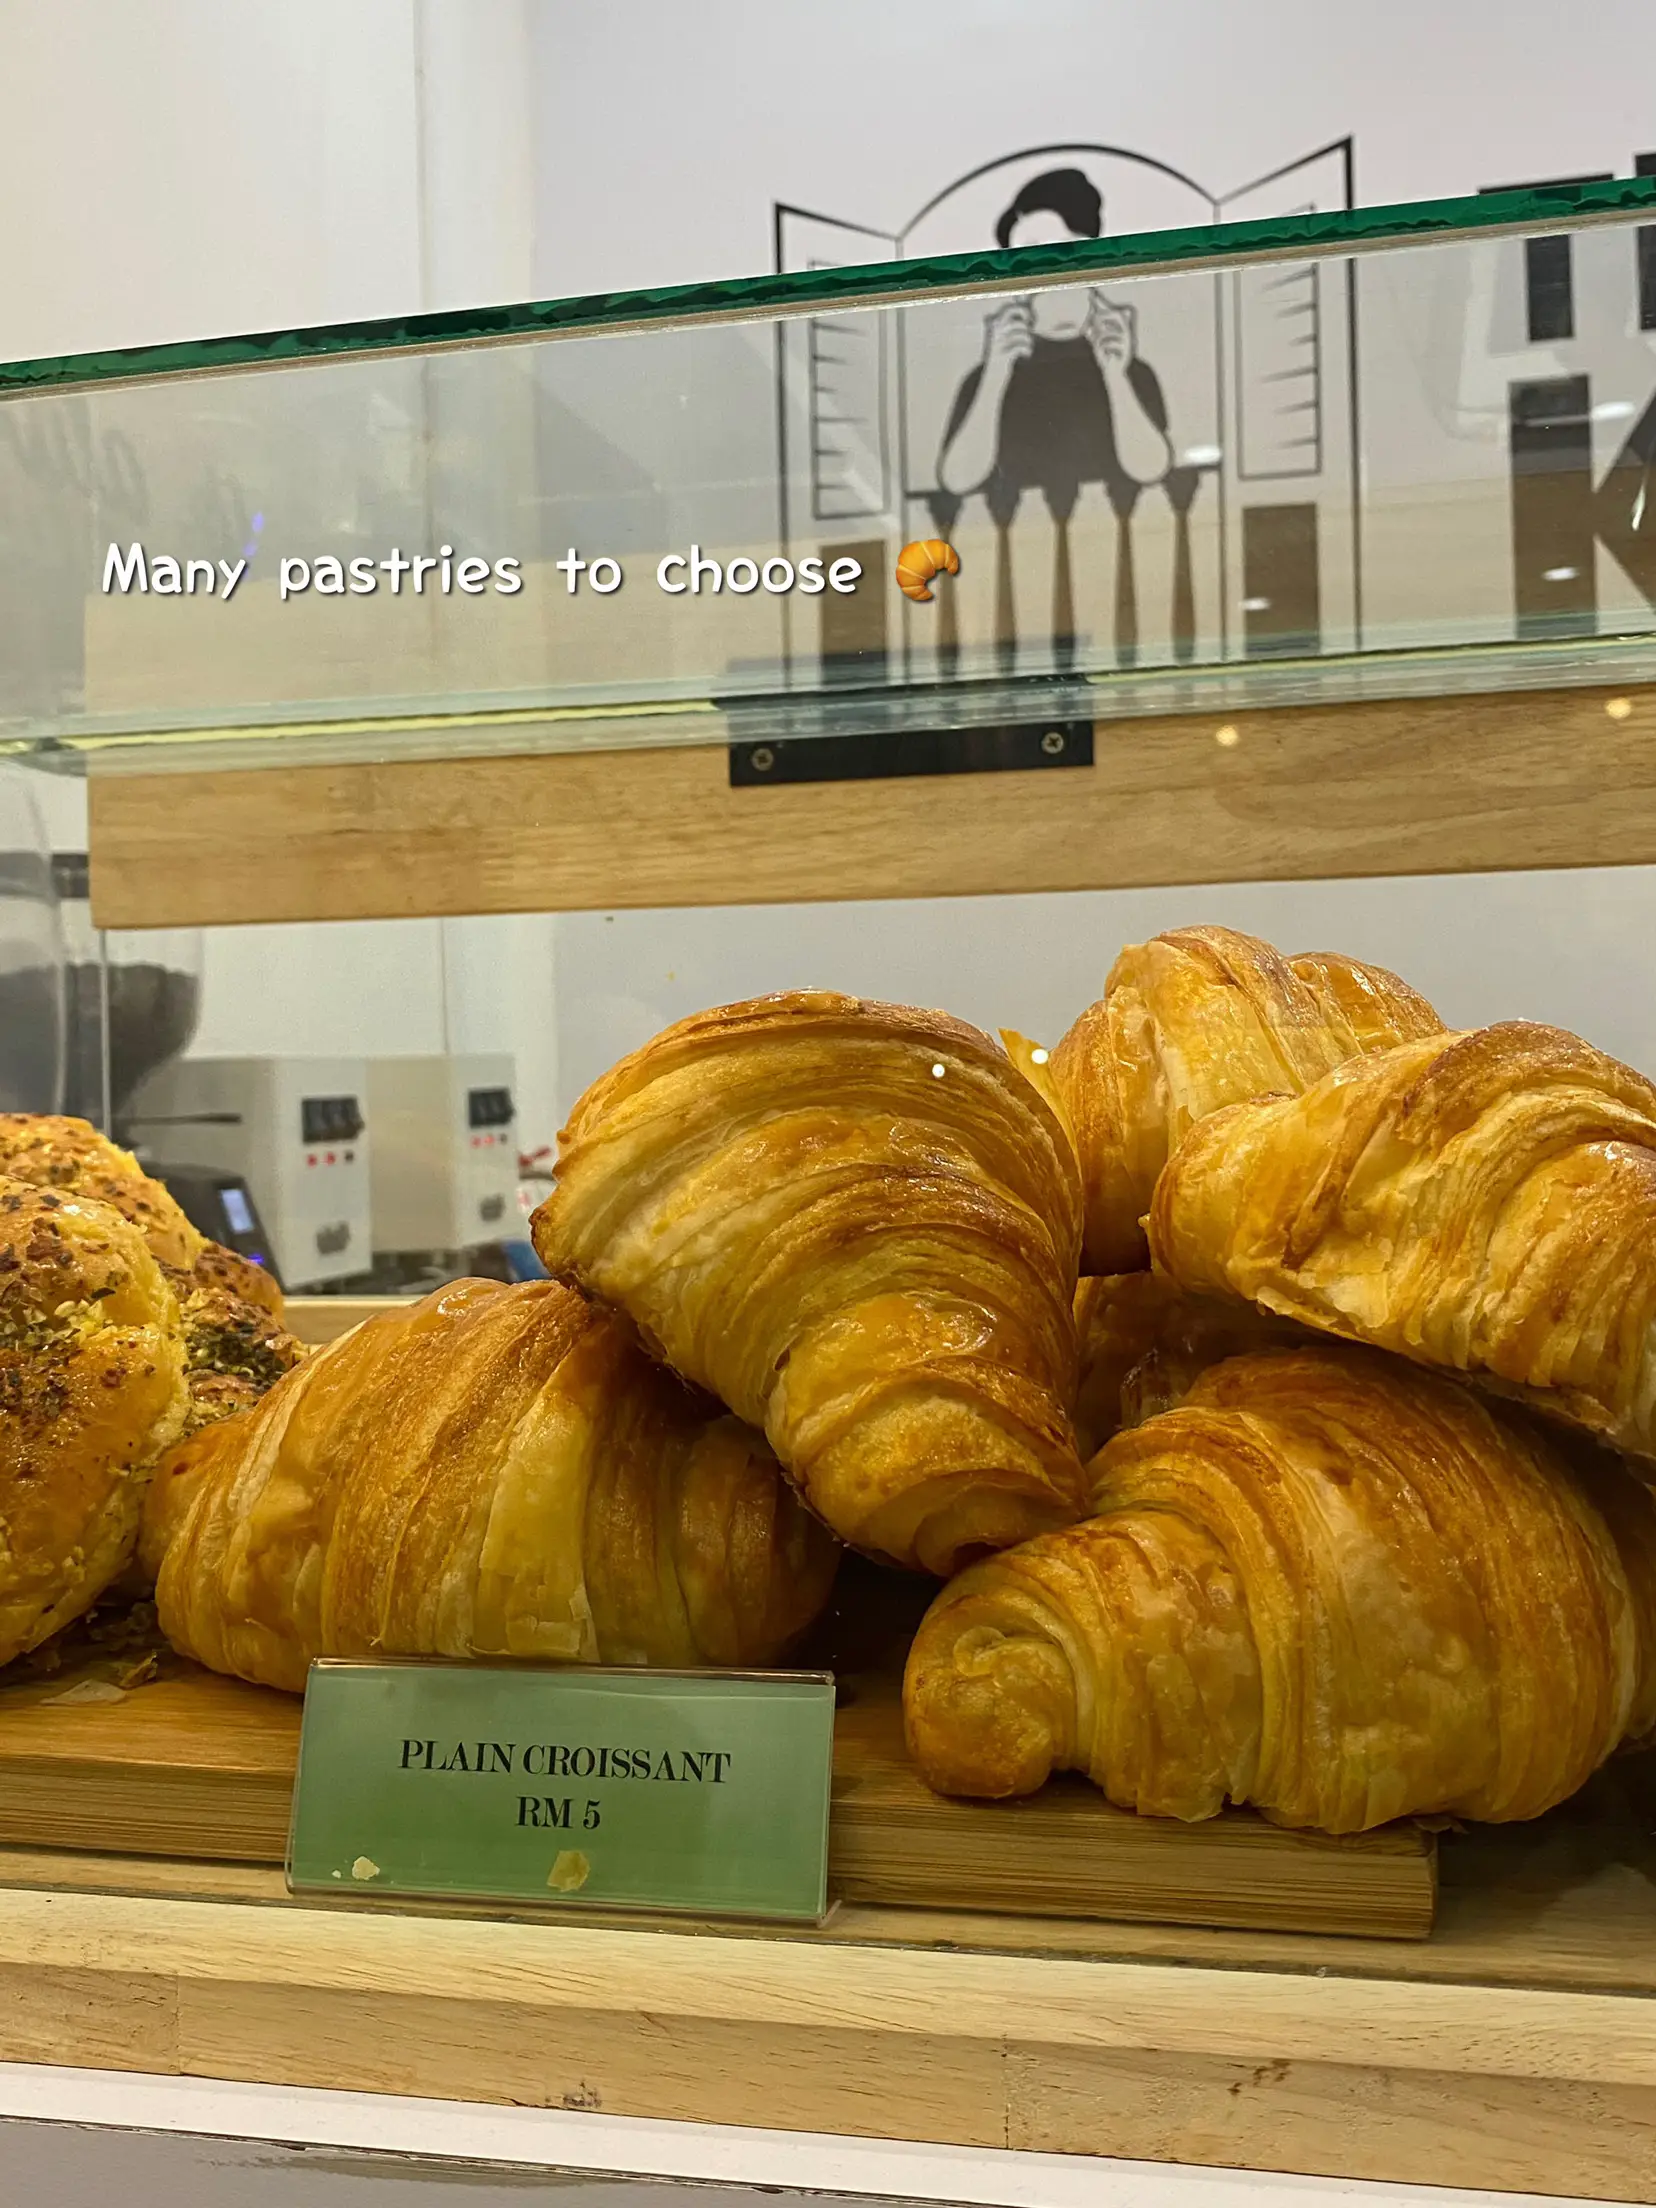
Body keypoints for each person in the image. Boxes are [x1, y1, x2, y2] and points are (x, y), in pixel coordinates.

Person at [933, 167, 1181, 668]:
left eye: (1055, 250)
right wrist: (995, 373)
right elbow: (957, 478)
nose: (1040, 274)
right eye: (1024, 259)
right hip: (1009, 607)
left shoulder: (1132, 371)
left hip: (1122, 595)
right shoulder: (990, 374)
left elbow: (1152, 466)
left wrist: (1115, 375)